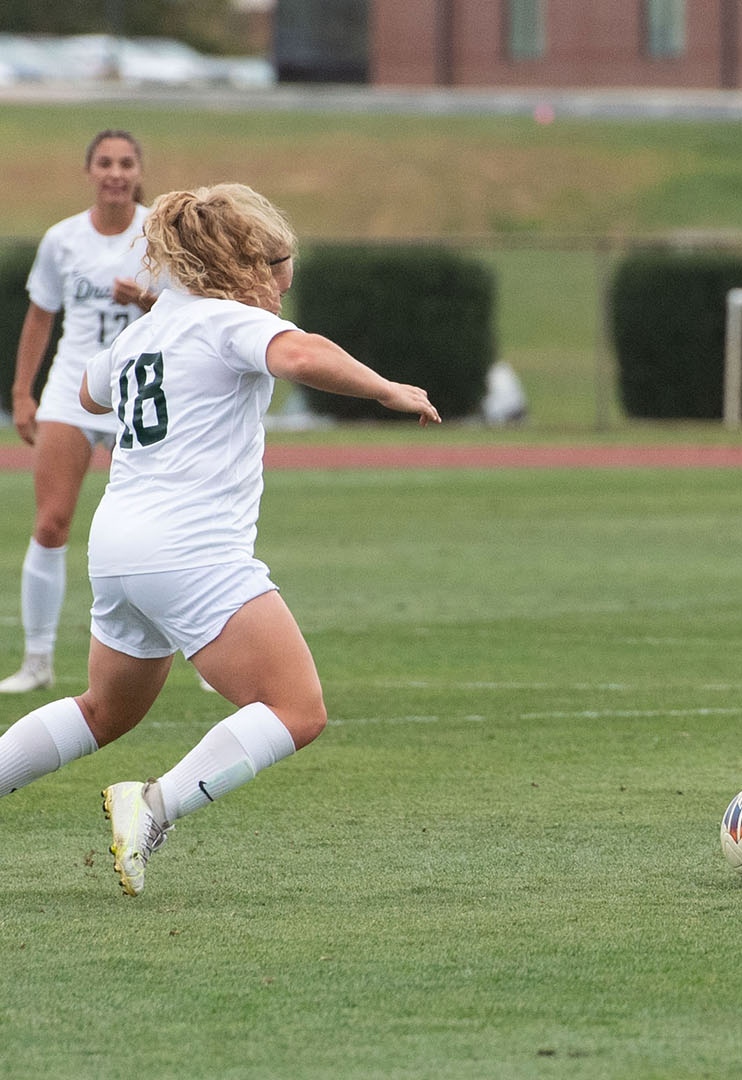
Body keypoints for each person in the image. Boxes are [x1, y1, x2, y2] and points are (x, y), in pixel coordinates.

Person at [0, 183, 441, 896]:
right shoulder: (222, 321)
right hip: (189, 546)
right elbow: (300, 356)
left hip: (117, 545)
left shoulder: (146, 330)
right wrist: (387, 388)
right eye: (273, 278)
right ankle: (153, 807)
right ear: (238, 266)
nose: (276, 296)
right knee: (297, 709)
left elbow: (89, 391)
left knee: (102, 711)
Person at [5, 130, 161, 692]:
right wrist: (23, 393)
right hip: (72, 390)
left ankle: (201, 651)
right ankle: (37, 662)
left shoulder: (159, 233)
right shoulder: (62, 239)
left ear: (139, 171)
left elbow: (191, 312)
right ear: (90, 171)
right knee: (51, 523)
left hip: (139, 394)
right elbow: (41, 316)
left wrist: (144, 299)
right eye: (105, 163)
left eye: (125, 163)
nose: (115, 173)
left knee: (156, 527)